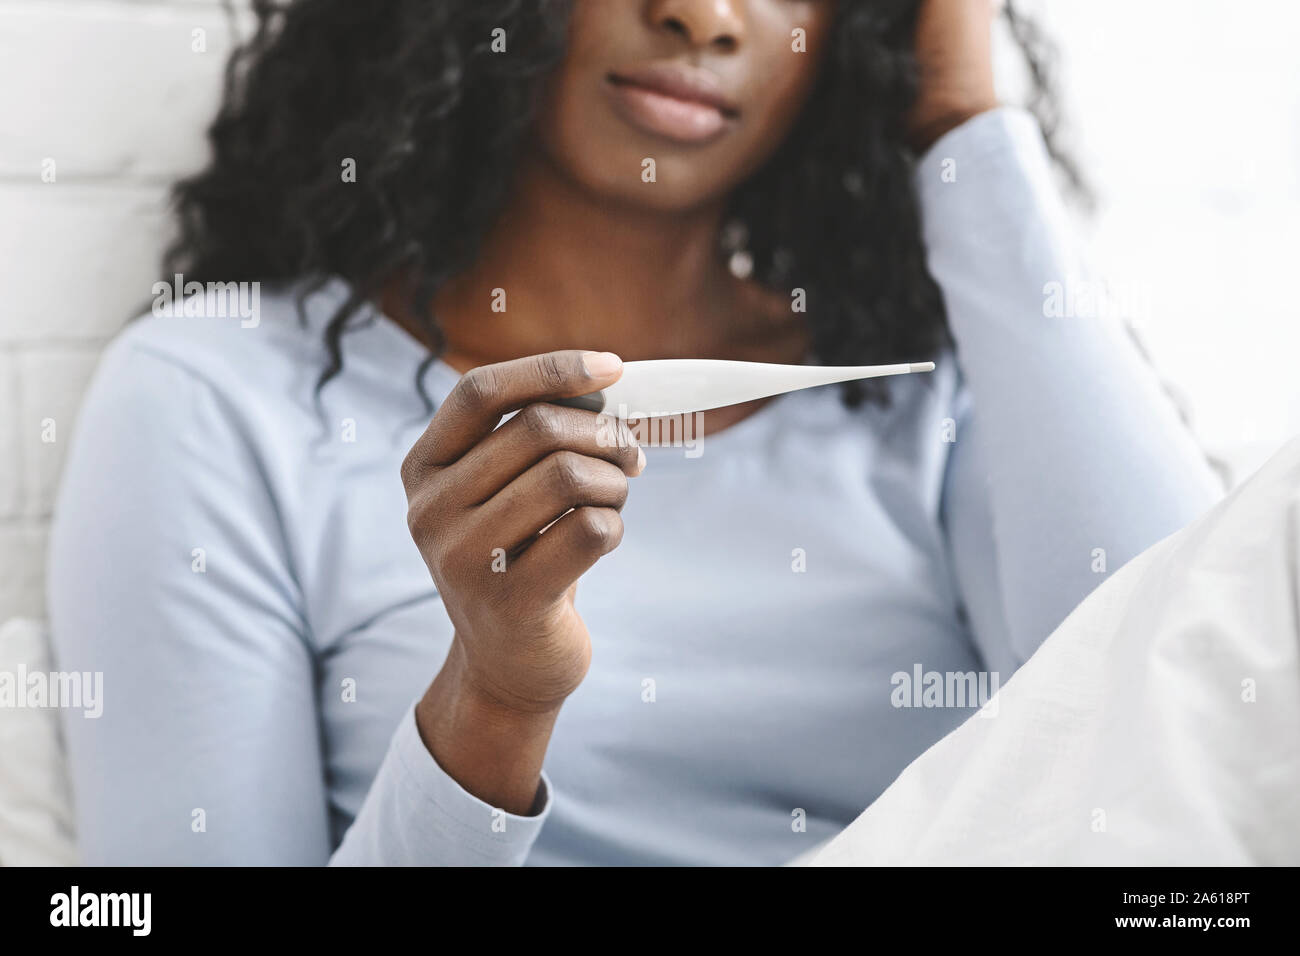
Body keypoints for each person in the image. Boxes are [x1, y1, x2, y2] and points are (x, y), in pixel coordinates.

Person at [48, 0, 1222, 865]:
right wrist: (495, 701)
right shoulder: (219, 396)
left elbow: (1182, 708)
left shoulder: (942, 392)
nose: (703, 16)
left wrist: (965, 122)